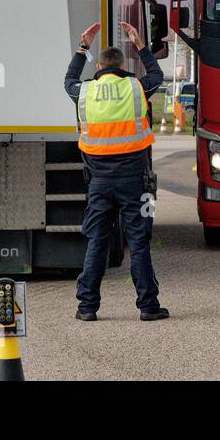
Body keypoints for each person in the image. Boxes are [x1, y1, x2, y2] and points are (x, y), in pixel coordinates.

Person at [64, 20, 168, 323]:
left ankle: (87, 307)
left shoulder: (85, 92)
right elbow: (158, 75)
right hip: (134, 181)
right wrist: (140, 45)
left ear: (101, 66)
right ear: (122, 65)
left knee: (96, 241)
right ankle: (148, 306)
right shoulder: (135, 87)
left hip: (99, 182)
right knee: (138, 242)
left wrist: (83, 47)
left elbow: (68, 79)